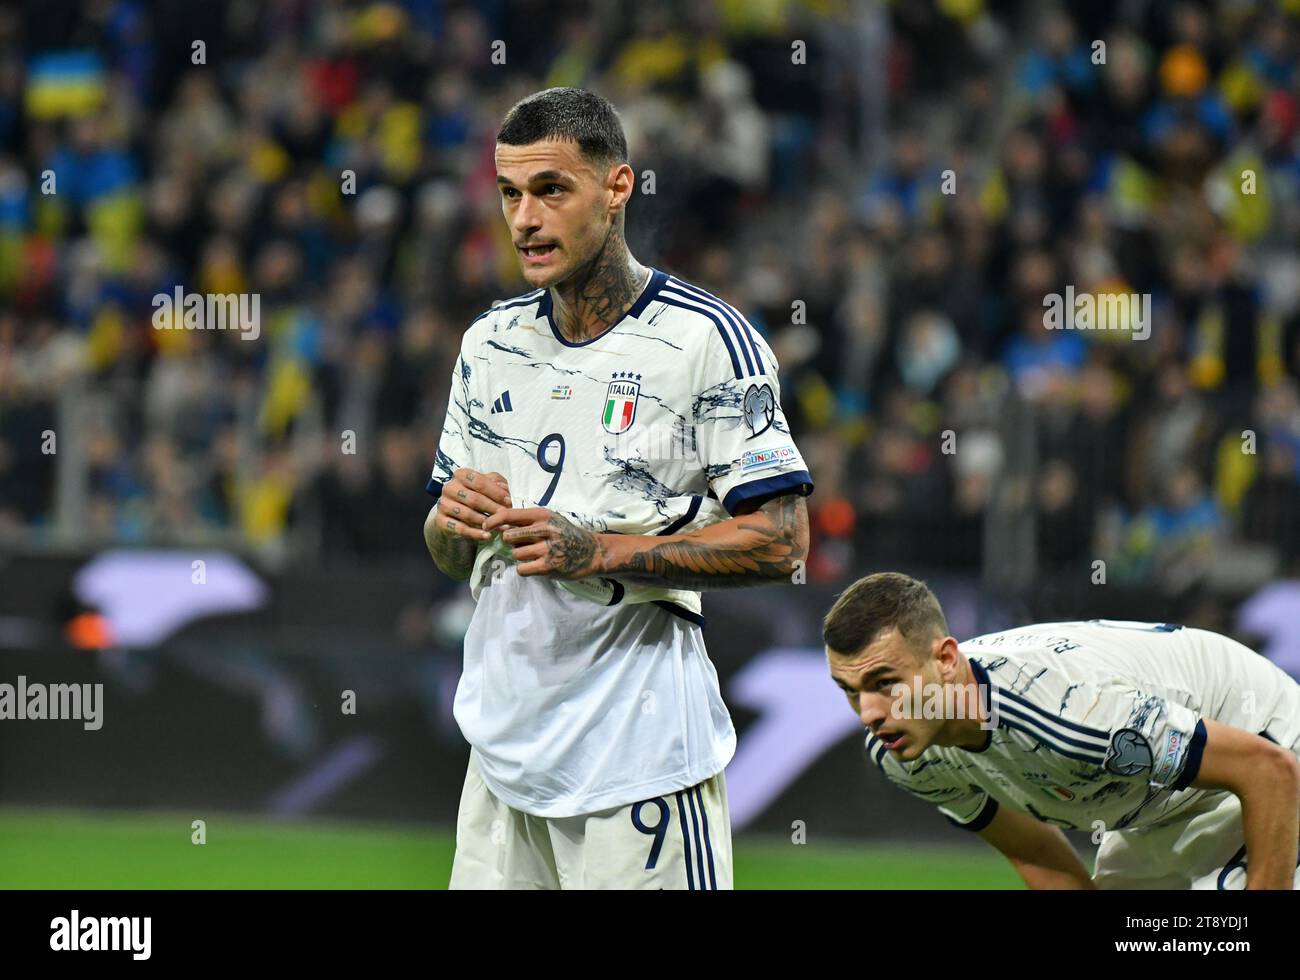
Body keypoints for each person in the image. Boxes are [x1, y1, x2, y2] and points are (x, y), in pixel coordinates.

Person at [424, 87, 814, 889]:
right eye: (509, 194)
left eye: (551, 190)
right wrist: (450, 521)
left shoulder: (707, 343)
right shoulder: (490, 345)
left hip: (637, 768)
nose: (524, 219)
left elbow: (783, 539)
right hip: (499, 766)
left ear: (617, 189)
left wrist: (598, 551)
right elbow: (451, 556)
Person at [822, 572, 1300, 889]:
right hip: (1156, 811)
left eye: (885, 684)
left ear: (946, 659)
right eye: (850, 690)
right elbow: (1037, 853)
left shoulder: (1073, 715)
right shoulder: (907, 755)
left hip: (1268, 750)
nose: (868, 713)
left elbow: (1270, 772)